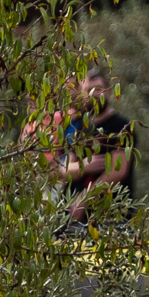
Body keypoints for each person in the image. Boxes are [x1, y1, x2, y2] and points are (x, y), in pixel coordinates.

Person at [55, 68, 133, 223]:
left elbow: (117, 172)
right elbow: (64, 168)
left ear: (109, 92)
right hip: (73, 215)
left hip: (110, 215)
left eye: (99, 89)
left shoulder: (121, 127)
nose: (95, 94)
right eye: (90, 90)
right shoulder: (78, 127)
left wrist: (83, 200)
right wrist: (82, 166)